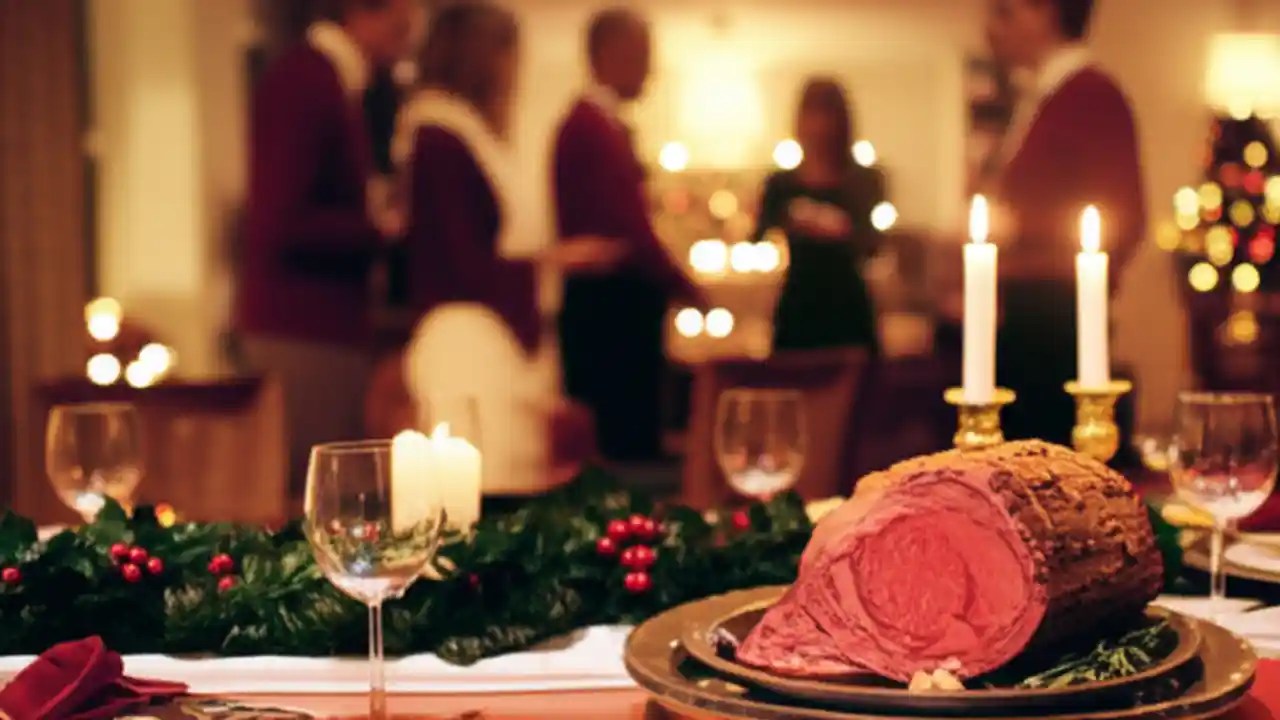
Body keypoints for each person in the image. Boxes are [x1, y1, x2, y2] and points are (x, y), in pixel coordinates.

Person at [392, 1, 611, 494]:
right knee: (483, 488)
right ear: (485, 58)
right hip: (467, 339)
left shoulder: (461, 136)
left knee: (508, 477)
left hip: (488, 333)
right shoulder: (439, 138)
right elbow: (463, 262)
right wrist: (555, 261)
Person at [236, 0, 413, 494]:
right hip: (303, 329)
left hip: (321, 327)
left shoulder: (328, 80)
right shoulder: (306, 81)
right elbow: (280, 221)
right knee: (314, 494)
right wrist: (380, 230)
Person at [984, 0, 1145, 445]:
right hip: (1027, 314)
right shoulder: (1042, 95)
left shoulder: (1089, 93)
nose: (990, 29)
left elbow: (1123, 216)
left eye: (1005, 13)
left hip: (1056, 320)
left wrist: (1016, 228)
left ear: (1045, 13)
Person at [554, 8, 701, 463]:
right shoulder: (590, 128)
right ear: (608, 55)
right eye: (641, 56)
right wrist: (687, 288)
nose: (649, 71)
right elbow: (629, 227)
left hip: (612, 307)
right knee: (624, 445)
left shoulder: (601, 125)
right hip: (610, 314)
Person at [753, 79, 886, 353]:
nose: (820, 126)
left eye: (828, 115)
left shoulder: (864, 180)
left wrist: (836, 228)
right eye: (812, 115)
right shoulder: (780, 184)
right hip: (799, 305)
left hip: (847, 307)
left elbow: (872, 246)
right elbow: (757, 235)